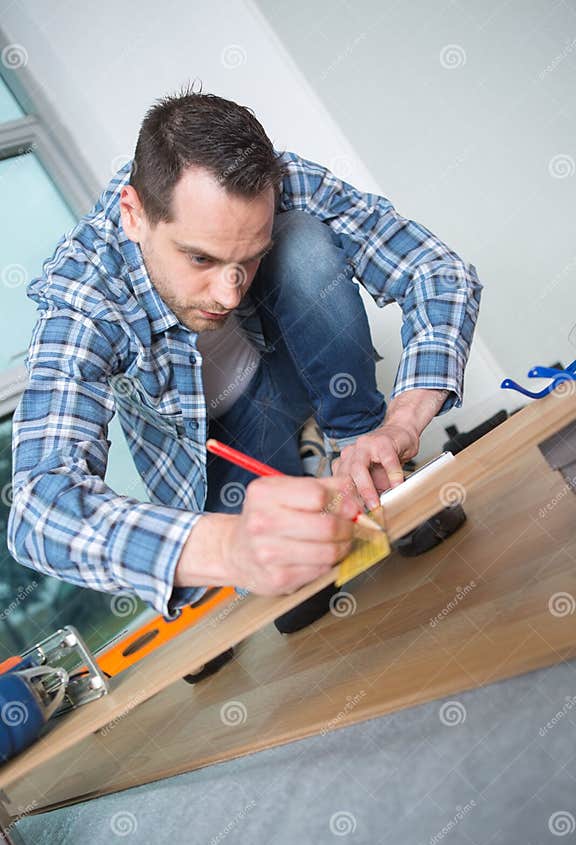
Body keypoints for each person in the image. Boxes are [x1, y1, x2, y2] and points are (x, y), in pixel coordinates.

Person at [7, 85, 483, 648]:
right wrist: (230, 549)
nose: (229, 294)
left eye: (248, 260)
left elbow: (437, 273)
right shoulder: (85, 295)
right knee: (302, 598)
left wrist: (400, 424)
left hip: (298, 373)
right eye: (201, 259)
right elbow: (40, 507)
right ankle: (314, 494)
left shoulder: (281, 184)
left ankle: (363, 466)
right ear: (133, 215)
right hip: (220, 445)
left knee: (303, 243)